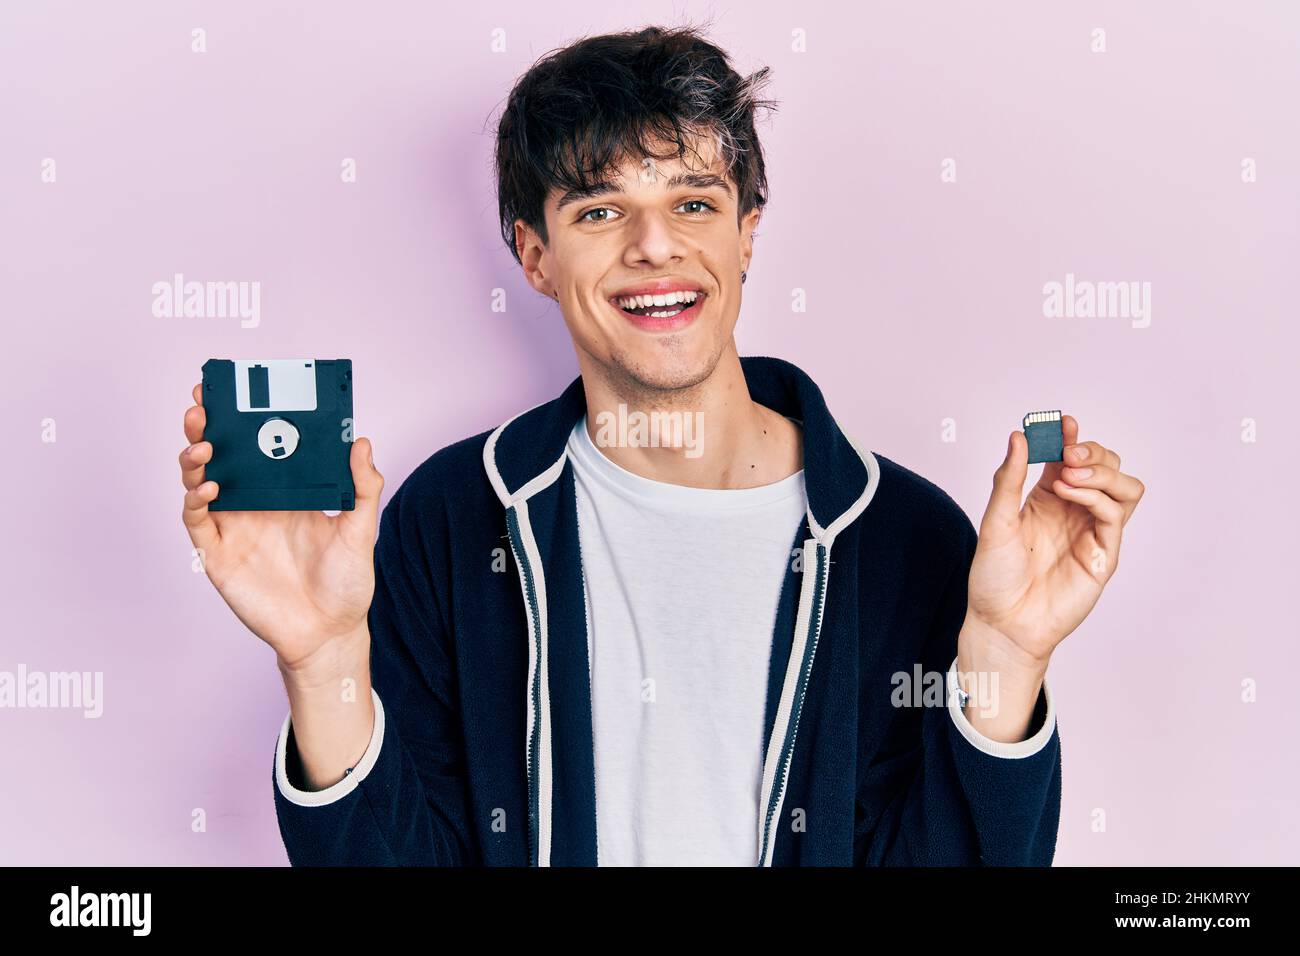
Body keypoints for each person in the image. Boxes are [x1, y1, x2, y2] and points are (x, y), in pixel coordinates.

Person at [178, 24, 1144, 866]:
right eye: (599, 211)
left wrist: (1008, 659)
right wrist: (322, 660)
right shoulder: (451, 516)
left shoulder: (907, 536)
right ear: (534, 254)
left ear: (747, 234)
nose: (654, 246)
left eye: (693, 202)